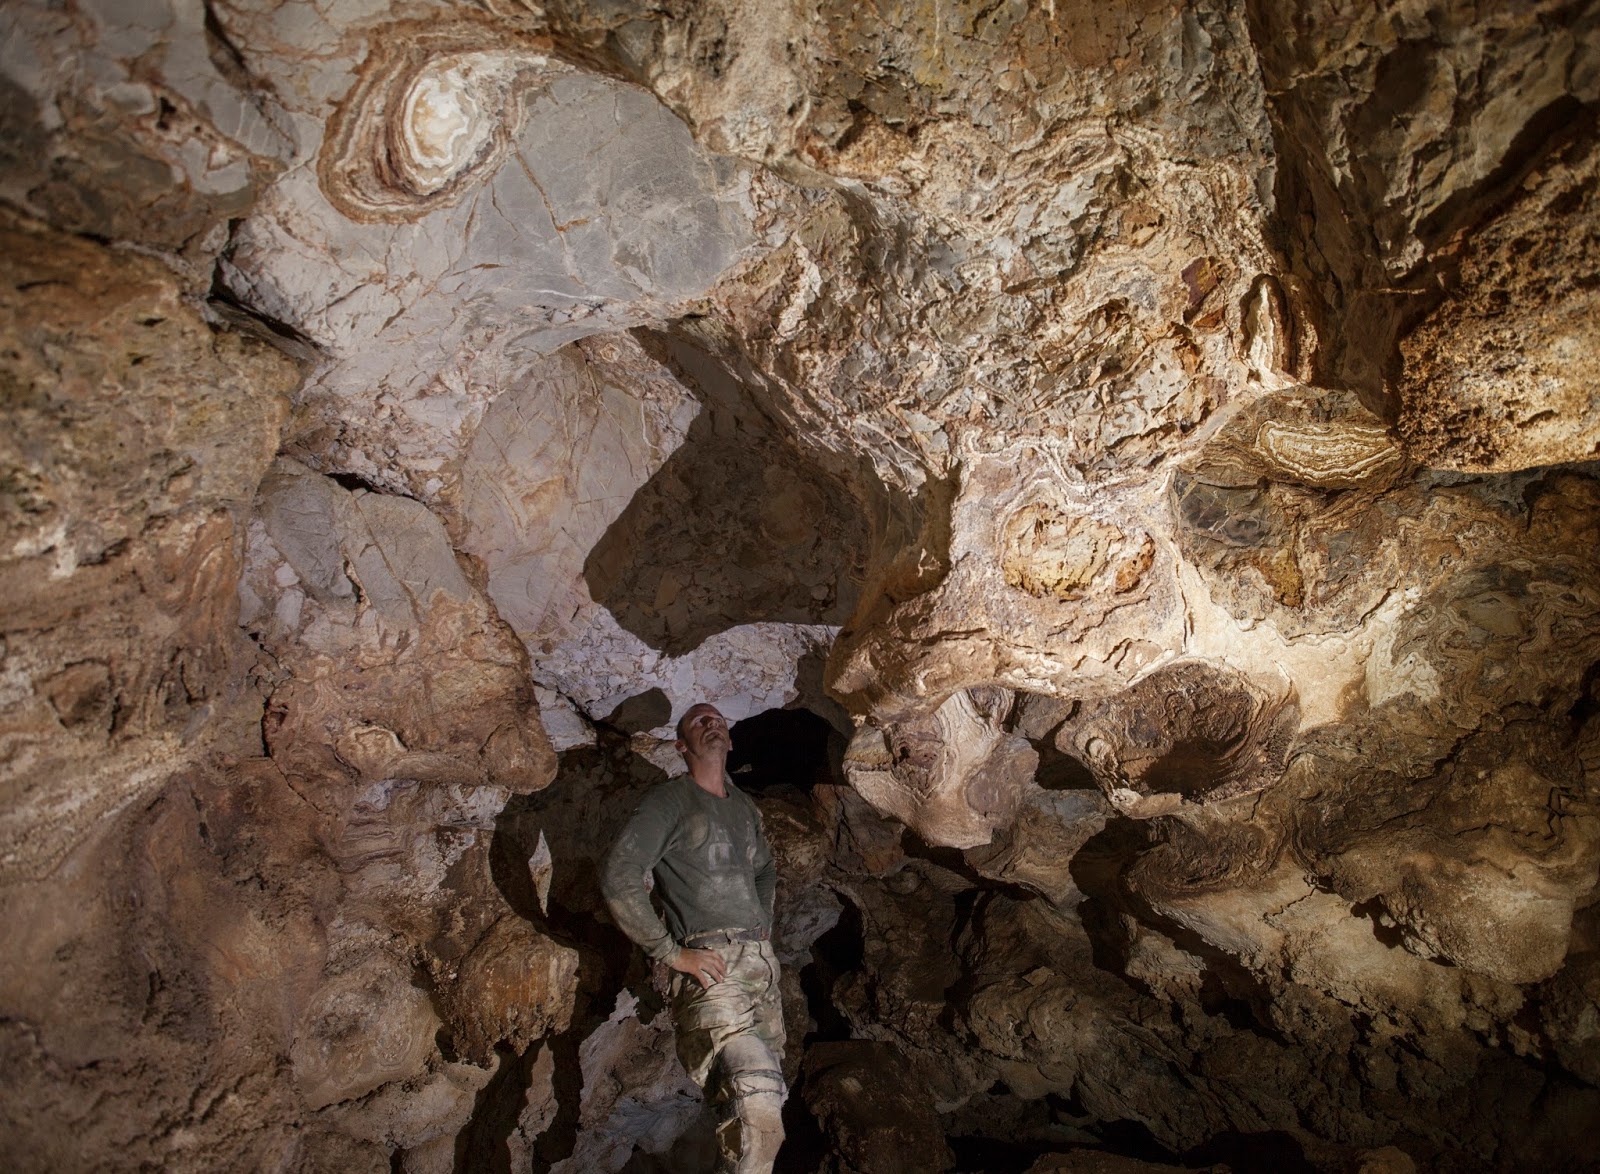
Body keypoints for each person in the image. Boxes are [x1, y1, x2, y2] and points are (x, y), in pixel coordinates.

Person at [601, 702, 786, 1173]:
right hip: (712, 964)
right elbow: (620, 873)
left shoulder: (743, 806)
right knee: (756, 1102)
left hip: (761, 969)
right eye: (698, 721)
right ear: (682, 746)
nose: (712, 723)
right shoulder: (670, 801)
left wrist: (762, 921)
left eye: (718, 718)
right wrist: (670, 953)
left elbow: (764, 867)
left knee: (761, 1118)